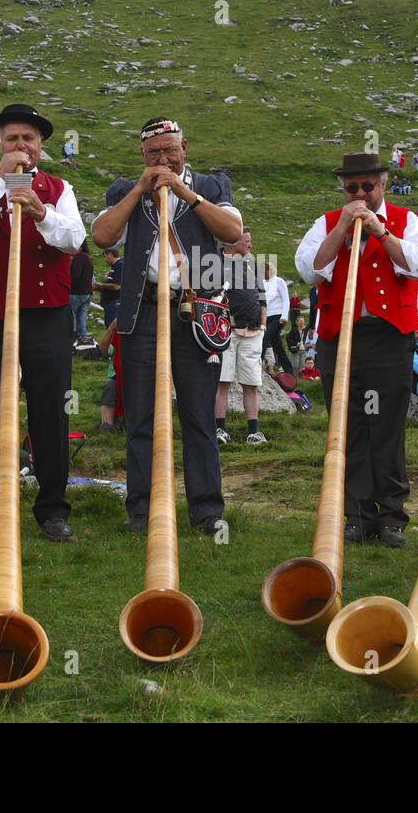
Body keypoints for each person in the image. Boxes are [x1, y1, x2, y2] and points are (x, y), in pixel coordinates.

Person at [91, 116, 241, 536]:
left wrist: (182, 190)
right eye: (154, 152)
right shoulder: (125, 188)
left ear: (184, 148)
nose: (162, 159)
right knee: (140, 415)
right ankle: (142, 510)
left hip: (196, 313)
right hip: (142, 312)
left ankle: (207, 512)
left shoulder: (211, 186)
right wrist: (141, 188)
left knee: (199, 415)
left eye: (169, 150)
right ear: (142, 154)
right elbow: (102, 236)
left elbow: (232, 231)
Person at [0, 103, 85, 543]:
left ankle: (52, 509)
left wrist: (41, 212)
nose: (21, 146)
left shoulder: (59, 188)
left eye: (28, 138)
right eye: (12, 139)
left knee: (50, 409)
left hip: (45, 311)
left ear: (41, 145)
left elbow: (75, 239)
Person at [295, 151, 418, 548]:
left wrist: (380, 232)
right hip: (340, 337)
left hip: (389, 338)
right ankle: (356, 515)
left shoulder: (406, 221)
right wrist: (341, 228)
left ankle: (392, 516)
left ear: (382, 185)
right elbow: (308, 269)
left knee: (386, 428)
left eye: (368, 187)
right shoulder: (325, 224)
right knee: (348, 427)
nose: (360, 194)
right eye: (352, 188)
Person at [215, 227, 266, 446]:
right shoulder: (216, 262)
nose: (250, 245)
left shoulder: (253, 264)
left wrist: (263, 325)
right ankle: (219, 429)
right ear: (233, 242)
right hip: (227, 330)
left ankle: (254, 431)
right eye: (247, 241)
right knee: (222, 381)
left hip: (253, 331)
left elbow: (261, 297)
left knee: (251, 383)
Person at [263, 262, 293, 376]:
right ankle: (289, 372)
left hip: (278, 317)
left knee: (264, 338)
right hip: (267, 317)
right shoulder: (262, 283)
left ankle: (256, 366)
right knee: (277, 345)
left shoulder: (279, 281)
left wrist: (284, 316)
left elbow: (286, 299)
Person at [70, 240, 95, 345]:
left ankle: (71, 339)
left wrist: (68, 287)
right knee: (82, 317)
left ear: (80, 247)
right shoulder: (87, 258)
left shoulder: (79, 258)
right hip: (87, 293)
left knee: (71, 316)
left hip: (77, 292)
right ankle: (82, 338)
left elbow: (75, 277)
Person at [96, 246, 123, 328]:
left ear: (110, 254)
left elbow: (116, 286)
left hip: (114, 303)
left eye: (105, 256)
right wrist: (100, 288)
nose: (104, 260)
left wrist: (101, 285)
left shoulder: (119, 265)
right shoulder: (115, 266)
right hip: (110, 303)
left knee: (111, 329)